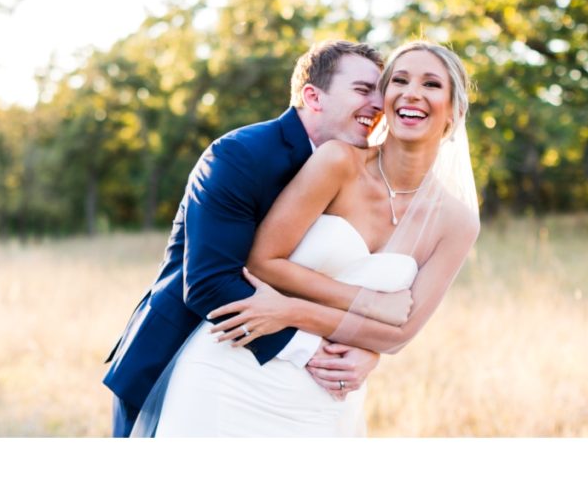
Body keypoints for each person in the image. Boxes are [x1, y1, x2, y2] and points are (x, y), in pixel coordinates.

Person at [135, 41, 481, 437]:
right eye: (399, 80)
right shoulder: (333, 160)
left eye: (432, 84)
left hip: (330, 391)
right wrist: (369, 306)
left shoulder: (458, 223)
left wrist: (357, 343)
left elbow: (399, 334)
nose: (411, 92)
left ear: (454, 112)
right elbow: (257, 264)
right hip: (235, 372)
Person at [103, 40, 392, 437]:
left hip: (295, 394)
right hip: (183, 361)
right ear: (313, 96)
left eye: (382, 91)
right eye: (363, 90)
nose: (379, 104)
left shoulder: (365, 179)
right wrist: (314, 352)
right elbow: (209, 283)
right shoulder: (240, 155)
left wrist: (365, 350)